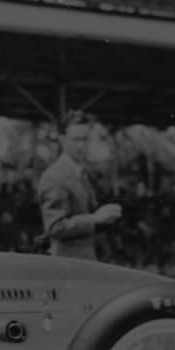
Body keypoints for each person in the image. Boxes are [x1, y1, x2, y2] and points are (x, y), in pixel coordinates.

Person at [36, 111, 122, 261]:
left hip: (84, 261)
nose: (81, 145)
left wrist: (104, 217)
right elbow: (54, 227)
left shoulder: (81, 173)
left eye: (85, 139)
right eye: (76, 140)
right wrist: (95, 218)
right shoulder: (55, 176)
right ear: (62, 140)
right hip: (67, 264)